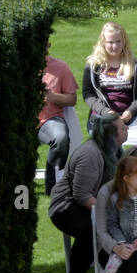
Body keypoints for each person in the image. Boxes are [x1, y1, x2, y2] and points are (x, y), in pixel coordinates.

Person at [48, 111, 125, 273]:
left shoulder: (115, 150)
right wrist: (108, 214)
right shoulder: (90, 154)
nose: (127, 129)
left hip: (88, 202)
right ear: (111, 135)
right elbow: (82, 195)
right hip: (65, 207)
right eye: (123, 127)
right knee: (94, 230)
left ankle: (117, 270)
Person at [83, 22, 137, 140]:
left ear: (124, 41)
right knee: (106, 142)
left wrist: (131, 111)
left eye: (118, 41)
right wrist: (105, 111)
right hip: (102, 115)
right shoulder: (93, 65)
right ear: (103, 42)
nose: (114, 46)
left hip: (131, 117)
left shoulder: (134, 64)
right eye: (110, 42)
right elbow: (88, 95)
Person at [37, 38, 79, 197]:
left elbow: (72, 99)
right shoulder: (18, 67)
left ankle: (53, 187)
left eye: (45, 46)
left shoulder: (61, 67)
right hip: (23, 121)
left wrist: (51, 97)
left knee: (60, 137)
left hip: (50, 120)